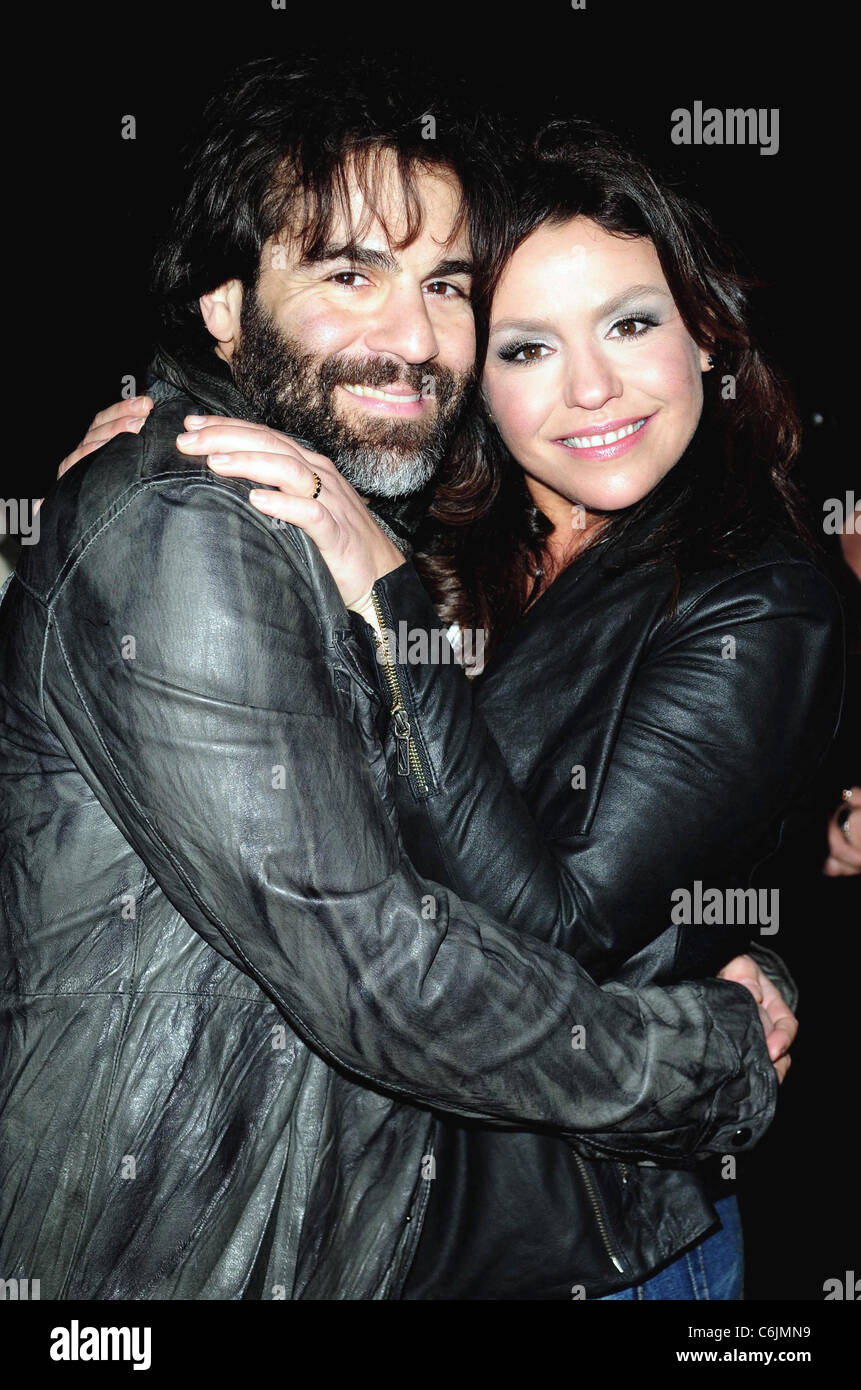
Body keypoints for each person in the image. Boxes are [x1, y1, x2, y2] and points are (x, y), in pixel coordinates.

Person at [0, 60, 787, 1302]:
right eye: (349, 273)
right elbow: (381, 956)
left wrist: (763, 962)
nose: (412, 338)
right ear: (222, 309)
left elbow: (583, 881)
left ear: (709, 335)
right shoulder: (270, 526)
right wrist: (708, 1056)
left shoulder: (736, 586)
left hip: (528, 1227)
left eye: (444, 288)